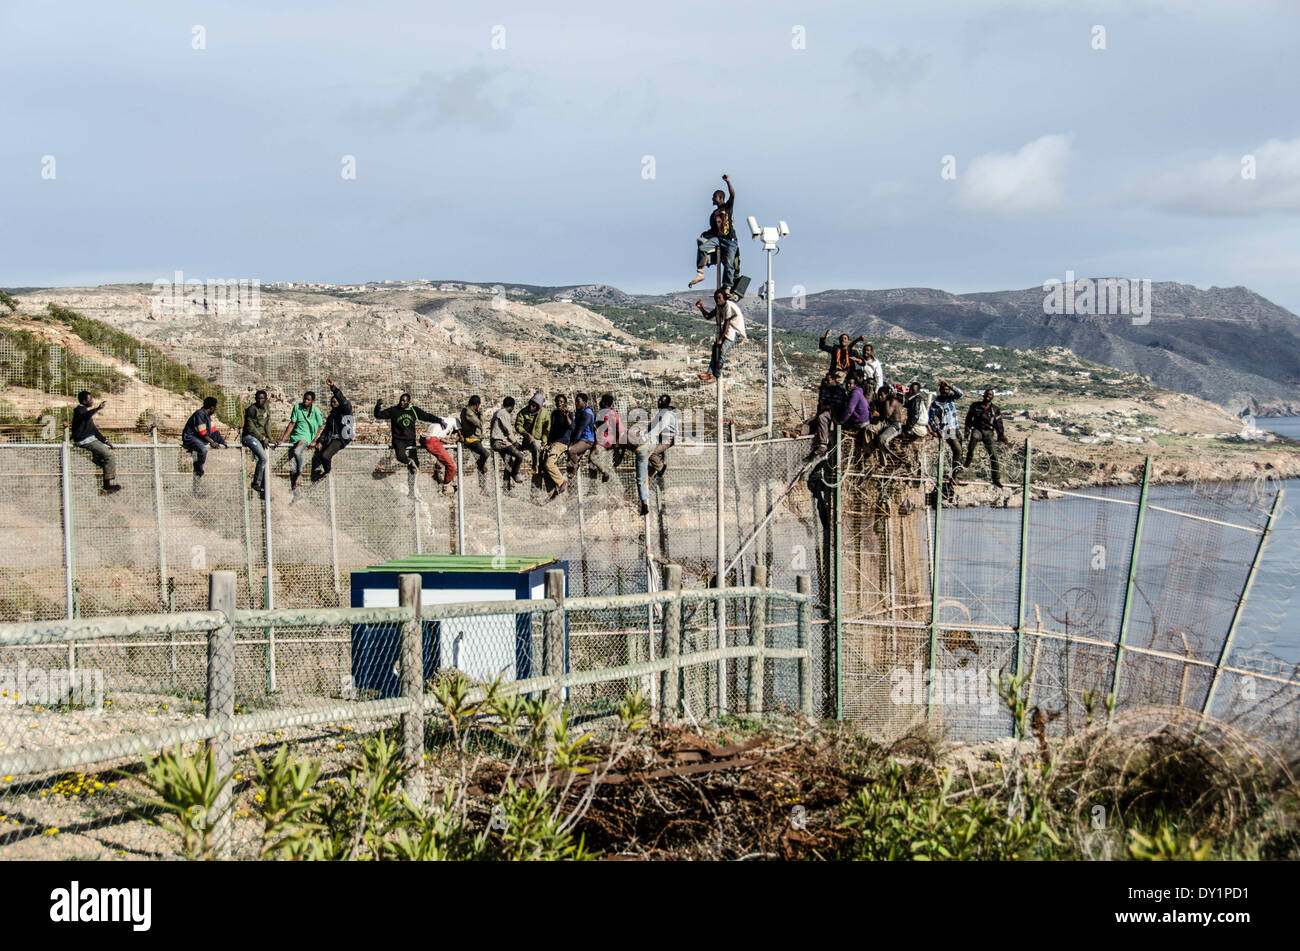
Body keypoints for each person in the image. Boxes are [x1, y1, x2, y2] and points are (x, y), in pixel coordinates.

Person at [689, 173, 738, 293]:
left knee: (729, 263)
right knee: (702, 248)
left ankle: (727, 287)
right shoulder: (714, 214)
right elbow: (713, 229)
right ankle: (700, 273)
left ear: (720, 198)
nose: (712, 199)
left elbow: (733, 195)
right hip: (718, 239)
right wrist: (705, 233)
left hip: (730, 240)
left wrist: (728, 182)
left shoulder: (727, 207)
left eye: (714, 197)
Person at [375, 392, 442, 476]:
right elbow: (378, 415)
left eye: (404, 401)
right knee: (400, 457)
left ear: (408, 402)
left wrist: (440, 420)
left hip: (410, 440)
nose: (401, 402)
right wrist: (378, 406)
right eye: (401, 400)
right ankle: (410, 462)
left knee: (415, 464)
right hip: (399, 439)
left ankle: (414, 474)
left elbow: (427, 416)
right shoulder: (394, 410)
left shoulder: (413, 410)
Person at [70, 390, 121, 494]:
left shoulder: (85, 412)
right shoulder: (79, 410)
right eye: (90, 399)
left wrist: (106, 441)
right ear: (84, 401)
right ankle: (107, 486)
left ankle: (103, 473)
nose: (92, 401)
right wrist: (98, 408)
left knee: (103, 458)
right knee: (109, 456)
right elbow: (85, 416)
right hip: (85, 441)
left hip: (90, 439)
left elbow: (94, 430)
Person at [635, 394, 677, 515]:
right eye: (659, 400)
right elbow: (652, 426)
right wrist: (645, 432)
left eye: (661, 401)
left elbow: (659, 428)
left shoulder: (667, 414)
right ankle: (655, 468)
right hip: (661, 438)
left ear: (666, 403)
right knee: (650, 451)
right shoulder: (662, 413)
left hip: (667, 439)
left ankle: (660, 467)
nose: (658, 402)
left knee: (651, 452)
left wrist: (645, 437)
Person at [792, 372, 847, 460]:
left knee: (822, 417)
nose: (826, 382)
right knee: (812, 421)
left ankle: (823, 443)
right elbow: (822, 402)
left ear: (833, 380)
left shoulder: (839, 390)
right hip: (825, 410)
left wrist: (829, 406)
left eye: (828, 381)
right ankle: (798, 432)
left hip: (836, 412)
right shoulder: (825, 389)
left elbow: (840, 404)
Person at [964, 388, 1011, 487]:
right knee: (971, 448)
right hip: (977, 429)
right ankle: (963, 470)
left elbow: (999, 424)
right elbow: (968, 418)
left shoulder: (995, 410)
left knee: (993, 455)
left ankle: (996, 479)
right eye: (987, 394)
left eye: (990, 394)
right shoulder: (975, 406)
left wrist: (1001, 435)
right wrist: (967, 430)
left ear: (992, 397)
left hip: (988, 432)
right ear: (984, 395)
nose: (988, 396)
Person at [309, 380, 353, 483]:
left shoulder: (346, 411)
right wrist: (320, 441)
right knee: (318, 453)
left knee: (325, 455)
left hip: (341, 438)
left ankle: (327, 471)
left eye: (335, 402)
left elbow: (342, 400)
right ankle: (316, 476)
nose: (333, 404)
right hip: (331, 439)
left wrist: (333, 387)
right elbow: (325, 431)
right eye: (331, 402)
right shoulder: (331, 416)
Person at [697, 290, 746, 381]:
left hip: (734, 329)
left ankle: (717, 374)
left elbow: (727, 323)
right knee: (715, 350)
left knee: (723, 350)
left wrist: (721, 339)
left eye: (719, 297)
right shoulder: (719, 306)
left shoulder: (728, 306)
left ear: (724, 298)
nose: (717, 300)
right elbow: (708, 316)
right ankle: (710, 373)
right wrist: (701, 308)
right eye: (716, 298)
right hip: (727, 329)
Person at [278, 390, 322, 493]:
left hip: (305, 438)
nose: (305, 401)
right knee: (292, 467)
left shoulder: (316, 411)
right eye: (304, 399)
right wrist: (283, 439)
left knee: (297, 451)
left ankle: (300, 474)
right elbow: (292, 424)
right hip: (294, 438)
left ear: (312, 401)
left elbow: (320, 426)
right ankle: (295, 493)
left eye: (308, 399)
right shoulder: (297, 408)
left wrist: (314, 440)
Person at [183, 396, 227, 494]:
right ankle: (199, 469)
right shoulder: (200, 414)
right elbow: (202, 432)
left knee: (199, 455)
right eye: (215, 408)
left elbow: (214, 431)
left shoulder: (207, 417)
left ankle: (196, 489)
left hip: (199, 439)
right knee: (203, 450)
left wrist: (222, 442)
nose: (215, 410)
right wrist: (212, 442)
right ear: (212, 407)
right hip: (190, 438)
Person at [241, 389, 276, 498]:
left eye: (262, 398)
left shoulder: (266, 407)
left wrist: (270, 438)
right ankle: (256, 483)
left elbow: (267, 424)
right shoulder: (252, 409)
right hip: (249, 437)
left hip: (261, 438)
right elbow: (250, 427)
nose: (260, 400)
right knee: (263, 458)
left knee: (265, 463)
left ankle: (264, 489)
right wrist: (262, 438)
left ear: (266, 399)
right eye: (258, 398)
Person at [514, 392, 550, 487]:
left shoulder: (544, 413)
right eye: (531, 404)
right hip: (527, 441)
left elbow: (546, 428)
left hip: (539, 441)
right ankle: (535, 465)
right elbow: (518, 425)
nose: (531, 407)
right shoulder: (523, 412)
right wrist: (527, 434)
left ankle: (538, 485)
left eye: (534, 405)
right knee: (534, 444)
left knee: (537, 446)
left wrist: (544, 442)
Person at [489, 396, 527, 485]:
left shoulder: (497, 412)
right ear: (512, 406)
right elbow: (508, 431)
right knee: (519, 456)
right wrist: (515, 443)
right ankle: (515, 474)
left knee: (509, 464)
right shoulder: (504, 413)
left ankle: (506, 487)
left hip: (496, 441)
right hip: (499, 442)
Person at [542, 394, 575, 498]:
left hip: (562, 442)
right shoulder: (554, 414)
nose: (558, 403)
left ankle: (562, 482)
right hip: (554, 442)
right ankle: (552, 492)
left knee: (549, 463)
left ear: (565, 403)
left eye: (561, 401)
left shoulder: (569, 414)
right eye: (557, 401)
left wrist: (566, 416)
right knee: (543, 465)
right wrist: (548, 443)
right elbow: (552, 429)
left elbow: (572, 427)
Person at [928, 380, 965, 473]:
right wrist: (937, 429)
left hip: (956, 428)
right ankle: (955, 473)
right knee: (957, 450)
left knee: (960, 451)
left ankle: (958, 471)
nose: (945, 391)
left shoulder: (950, 399)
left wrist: (951, 385)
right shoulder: (935, 404)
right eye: (943, 389)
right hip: (947, 429)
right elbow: (931, 419)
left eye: (947, 390)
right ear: (940, 390)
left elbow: (960, 394)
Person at [590, 393, 622, 482]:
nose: (600, 403)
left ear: (605, 403)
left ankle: (605, 472)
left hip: (603, 441)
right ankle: (604, 474)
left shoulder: (606, 414)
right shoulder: (614, 413)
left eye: (602, 401)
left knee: (593, 458)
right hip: (608, 441)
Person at [421, 414, 459, 485]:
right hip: (432, 441)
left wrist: (450, 442)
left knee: (441, 448)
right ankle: (446, 485)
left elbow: (439, 437)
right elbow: (460, 432)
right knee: (452, 466)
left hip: (423, 438)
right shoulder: (455, 421)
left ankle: (438, 466)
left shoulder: (442, 419)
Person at [566, 392, 596, 473]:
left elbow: (580, 429)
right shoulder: (580, 411)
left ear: (584, 402)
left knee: (571, 450)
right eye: (576, 401)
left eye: (578, 401)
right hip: (581, 438)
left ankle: (575, 466)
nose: (576, 403)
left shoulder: (587, 413)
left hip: (587, 440)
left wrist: (573, 442)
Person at [460, 395, 489, 475]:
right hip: (472, 439)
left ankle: (481, 466)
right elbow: (480, 423)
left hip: (475, 438)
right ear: (476, 404)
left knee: (483, 458)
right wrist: (481, 414)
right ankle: (480, 464)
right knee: (486, 454)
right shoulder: (469, 412)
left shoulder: (468, 411)